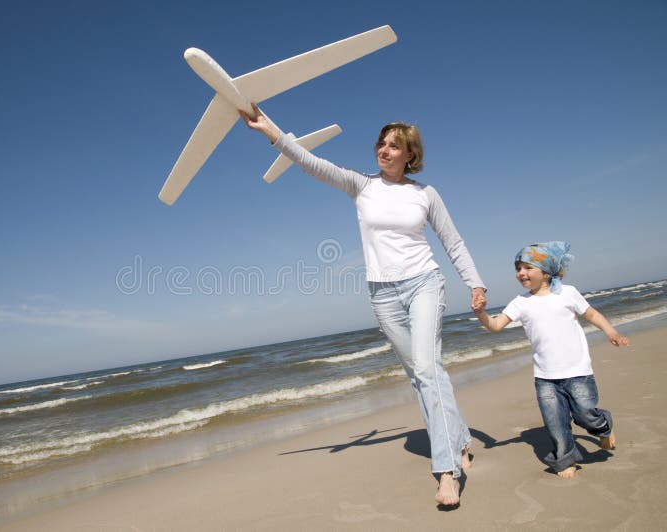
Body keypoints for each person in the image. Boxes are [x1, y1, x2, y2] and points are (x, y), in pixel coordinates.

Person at [241, 105, 487, 506]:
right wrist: (270, 129)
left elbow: (452, 242)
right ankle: (459, 440)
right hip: (382, 294)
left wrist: (474, 283)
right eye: (381, 144)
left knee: (426, 368)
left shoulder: (425, 194)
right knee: (424, 374)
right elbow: (311, 163)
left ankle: (447, 471)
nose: (385, 150)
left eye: (394, 146)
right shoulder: (361, 185)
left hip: (424, 283)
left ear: (411, 155)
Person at [473, 241, 629, 478]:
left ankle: (604, 428)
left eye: (527, 267)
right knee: (556, 424)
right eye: (518, 269)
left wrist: (611, 332)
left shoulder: (568, 293)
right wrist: (481, 314)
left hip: (577, 370)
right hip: (545, 377)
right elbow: (495, 326)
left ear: (546, 271)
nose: (521, 273)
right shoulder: (520, 302)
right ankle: (565, 459)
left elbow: (592, 314)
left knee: (586, 413)